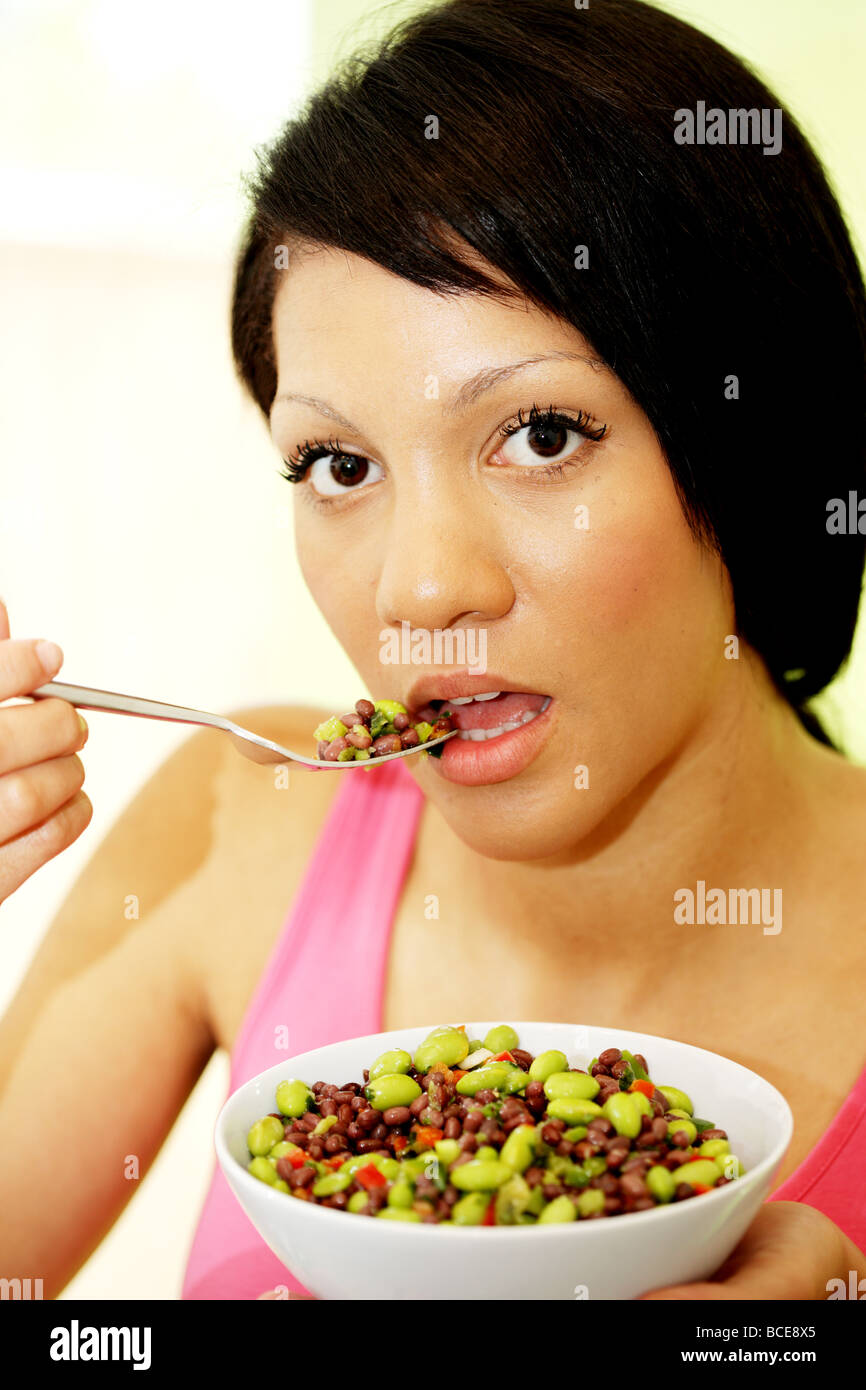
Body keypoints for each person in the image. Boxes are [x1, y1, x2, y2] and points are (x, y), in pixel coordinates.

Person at [2, 0, 865, 1301]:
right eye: (337, 464)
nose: (416, 586)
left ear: (750, 450)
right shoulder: (234, 824)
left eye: (540, 435)